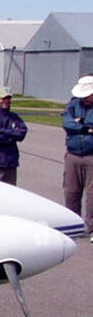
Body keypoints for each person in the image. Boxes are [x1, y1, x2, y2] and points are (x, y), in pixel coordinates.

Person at [62, 75, 93, 239]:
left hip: (91, 155)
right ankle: (72, 223)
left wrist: (79, 124)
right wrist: (86, 128)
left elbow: (75, 124)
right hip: (73, 154)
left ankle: (91, 228)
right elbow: (67, 123)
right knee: (71, 191)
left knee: (92, 195)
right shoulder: (73, 105)